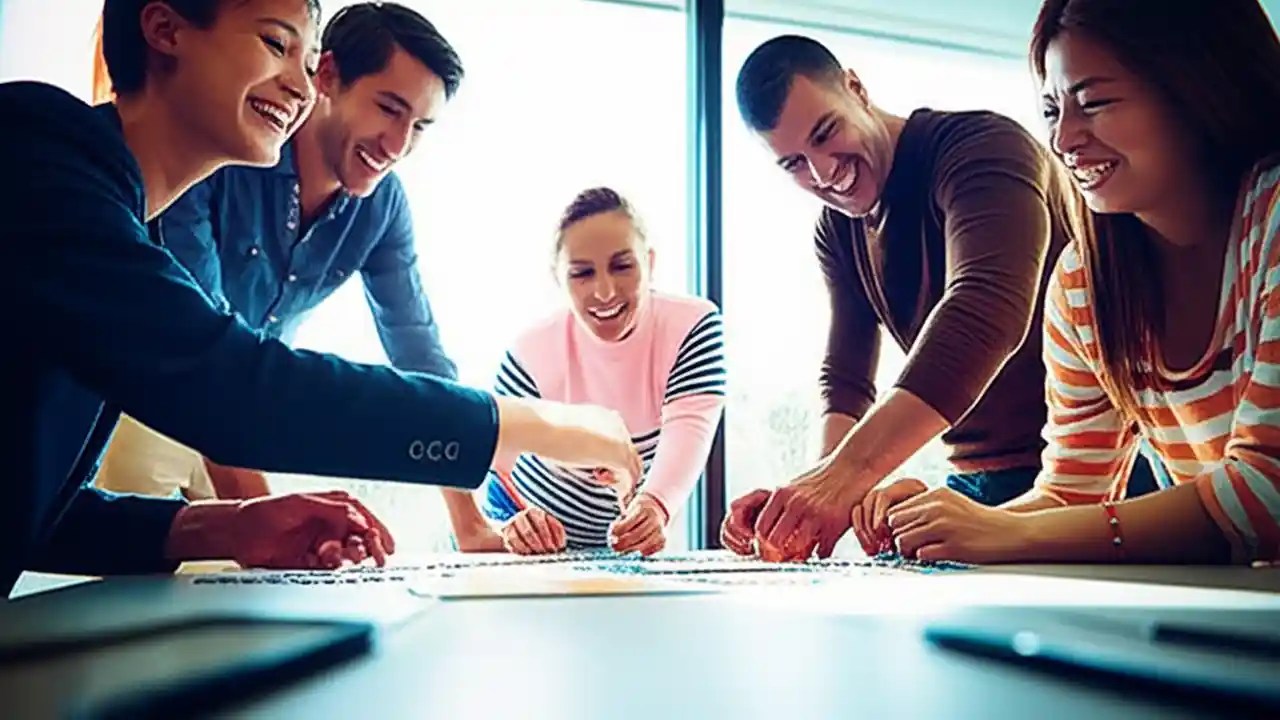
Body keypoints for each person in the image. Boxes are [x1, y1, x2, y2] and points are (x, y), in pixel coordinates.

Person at [1, 0, 639, 597]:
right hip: (181, 400)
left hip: (206, 393)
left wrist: (231, 527)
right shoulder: (37, 148)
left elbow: (37, 510)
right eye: (275, 43)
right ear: (165, 29)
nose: (301, 87)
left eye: (306, 63)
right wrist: (531, 424)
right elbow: (223, 382)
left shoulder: (374, 207)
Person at [870, 0, 1280, 565]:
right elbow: (1071, 494)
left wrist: (1003, 534)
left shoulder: (1274, 220)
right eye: (1051, 110)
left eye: (1094, 103)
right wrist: (940, 528)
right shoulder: (1083, 285)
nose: (1063, 140)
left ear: (1201, 87)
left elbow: (1267, 494)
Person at [718, 33, 1150, 562]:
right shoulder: (838, 231)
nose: (824, 171)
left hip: (1112, 478)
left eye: (826, 133)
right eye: (794, 164)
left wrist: (840, 479)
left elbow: (985, 310)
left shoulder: (981, 147)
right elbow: (847, 378)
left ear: (855, 87)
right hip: (979, 485)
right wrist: (811, 499)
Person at [94, 2, 464, 501]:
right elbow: (202, 337)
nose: (398, 145)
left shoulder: (383, 205)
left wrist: (470, 522)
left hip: (243, 417)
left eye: (419, 127)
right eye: (389, 109)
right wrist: (260, 509)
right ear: (327, 75)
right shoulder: (228, 143)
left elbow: (418, 351)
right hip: (152, 400)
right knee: (139, 565)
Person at [444, 187, 726, 556]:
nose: (605, 291)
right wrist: (512, 526)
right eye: (582, 274)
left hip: (621, 542)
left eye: (623, 266)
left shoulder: (694, 325)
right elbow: (490, 463)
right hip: (519, 537)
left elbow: (690, 430)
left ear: (650, 262)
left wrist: (653, 505)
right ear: (558, 278)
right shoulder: (530, 351)